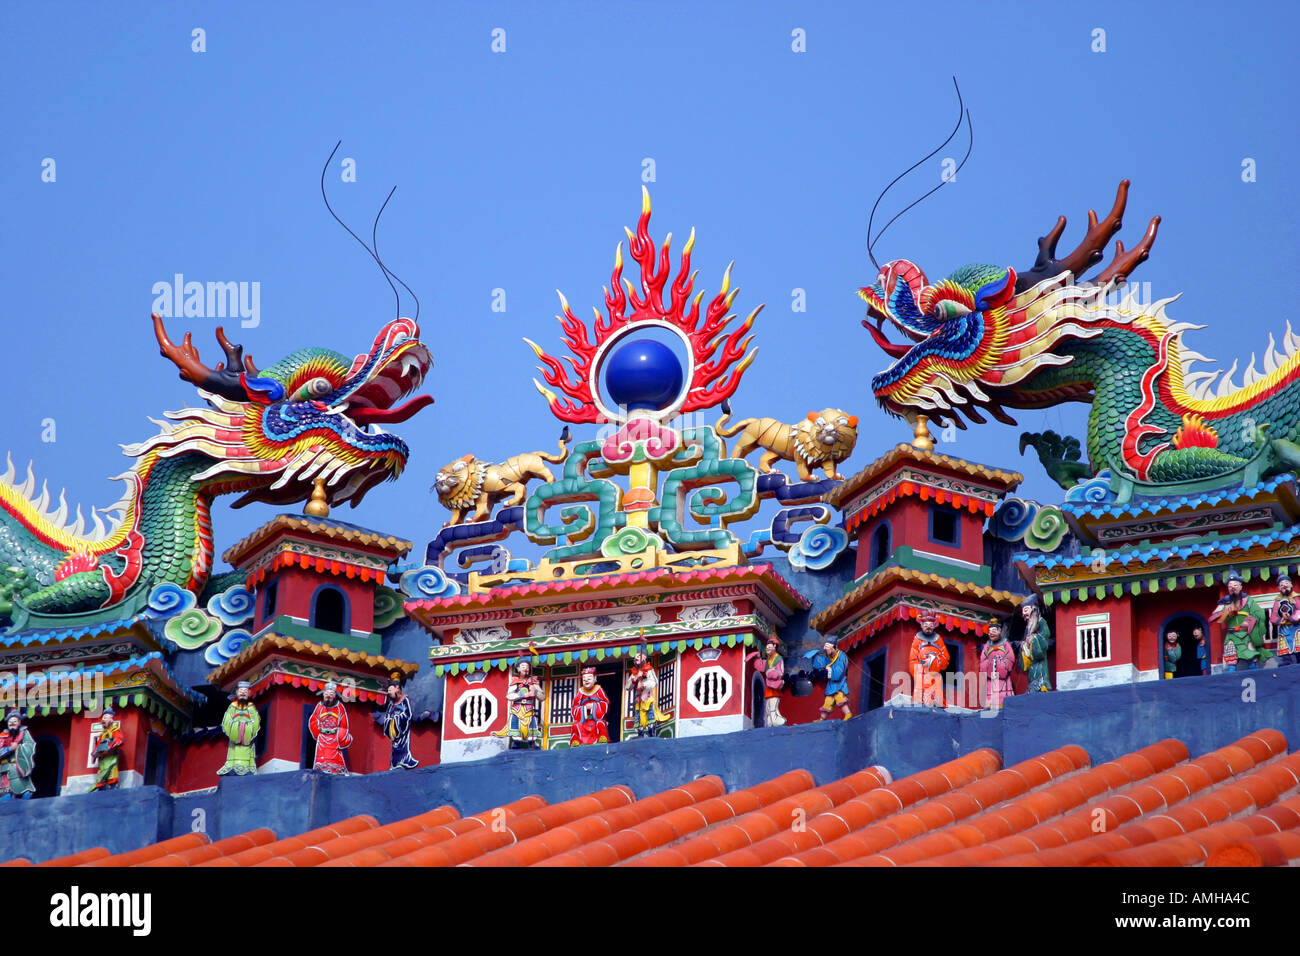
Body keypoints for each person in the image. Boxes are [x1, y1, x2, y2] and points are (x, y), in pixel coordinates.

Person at [1210, 570, 1271, 671]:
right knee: (1231, 655)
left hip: (1246, 633)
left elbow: (1259, 614)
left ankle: (1253, 667)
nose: (1233, 588)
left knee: (1251, 653)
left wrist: (1249, 622)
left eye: (1235, 585)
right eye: (1230, 586)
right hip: (1232, 634)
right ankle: (1231, 670)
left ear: (1241, 586)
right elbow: (1212, 618)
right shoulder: (1225, 602)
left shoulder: (1248, 600)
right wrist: (1225, 613)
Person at [217, 681, 260, 776]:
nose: (243, 693)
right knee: (233, 752)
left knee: (247, 754)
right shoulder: (232, 707)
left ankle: (247, 768)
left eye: (245, 691)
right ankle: (233, 766)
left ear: (249, 693)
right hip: (234, 736)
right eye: (241, 691)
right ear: (237, 693)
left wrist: (247, 728)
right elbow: (227, 721)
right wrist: (235, 728)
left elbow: (256, 721)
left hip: (247, 738)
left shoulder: (251, 707)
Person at [308, 681, 353, 774]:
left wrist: (339, 737)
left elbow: (344, 725)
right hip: (322, 738)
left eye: (331, 693)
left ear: (335, 695)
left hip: (334, 738)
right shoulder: (319, 706)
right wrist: (318, 733)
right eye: (326, 693)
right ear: (323, 694)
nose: (328, 696)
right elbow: (313, 721)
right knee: (321, 761)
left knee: (335, 762)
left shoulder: (340, 707)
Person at [377, 672, 418, 769]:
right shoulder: (391, 704)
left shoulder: (405, 700)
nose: (389, 693)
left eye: (391, 690)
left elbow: (407, 715)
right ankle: (395, 763)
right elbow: (387, 717)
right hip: (393, 730)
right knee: (395, 748)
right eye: (388, 691)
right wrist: (390, 721)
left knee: (402, 746)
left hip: (401, 729)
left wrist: (398, 718)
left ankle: (404, 760)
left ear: (397, 688)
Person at [909, 610, 950, 707]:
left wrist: (936, 661)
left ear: (934, 626)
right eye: (926, 624)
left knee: (936, 688)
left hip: (934, 671)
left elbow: (945, 657)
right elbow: (912, 659)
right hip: (922, 671)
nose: (928, 627)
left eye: (931, 625)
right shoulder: (917, 639)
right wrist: (919, 669)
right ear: (922, 625)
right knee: (921, 688)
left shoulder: (938, 639)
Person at [626, 650, 669, 738]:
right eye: (635, 658)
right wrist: (634, 679)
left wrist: (644, 684)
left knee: (650, 716)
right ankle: (640, 735)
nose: (636, 659)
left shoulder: (649, 669)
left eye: (638, 657)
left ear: (644, 658)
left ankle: (651, 734)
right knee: (638, 718)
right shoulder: (634, 672)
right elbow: (627, 687)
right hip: (638, 700)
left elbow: (654, 682)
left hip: (647, 697)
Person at [503, 660, 543, 749]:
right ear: (518, 669)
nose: (525, 669)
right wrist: (523, 695)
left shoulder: (533, 681)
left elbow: (542, 697)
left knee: (531, 724)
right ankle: (516, 742)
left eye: (527, 667)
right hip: (518, 708)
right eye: (523, 666)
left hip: (529, 708)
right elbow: (509, 695)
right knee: (515, 724)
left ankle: (531, 742)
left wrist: (535, 691)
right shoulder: (515, 681)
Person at [746, 638, 786, 727]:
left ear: (774, 646)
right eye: (766, 647)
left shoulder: (778, 659)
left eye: (769, 646)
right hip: (769, 686)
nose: (767, 648)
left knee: (772, 707)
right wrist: (757, 657)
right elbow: (760, 667)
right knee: (768, 708)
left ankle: (776, 721)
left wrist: (771, 673)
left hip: (774, 686)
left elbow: (779, 673)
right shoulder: (768, 660)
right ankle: (770, 722)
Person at [1019, 596, 1054, 692]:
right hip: (1031, 658)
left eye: (1026, 610)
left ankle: (1042, 684)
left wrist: (1034, 639)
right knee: (1032, 673)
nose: (1024, 613)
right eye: (1023, 611)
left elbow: (1045, 635)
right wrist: (1024, 645)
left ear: (1033, 608)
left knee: (1040, 671)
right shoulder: (1028, 626)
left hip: (1039, 657)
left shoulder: (1041, 622)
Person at [979, 620, 1016, 709]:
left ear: (999, 631)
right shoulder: (987, 646)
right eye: (990, 631)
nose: (991, 633)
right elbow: (982, 661)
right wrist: (991, 663)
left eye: (994, 631)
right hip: (990, 677)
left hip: (1003, 678)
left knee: (1003, 693)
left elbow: (1010, 659)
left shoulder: (1005, 644)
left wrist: (1000, 664)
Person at [570, 664, 610, 746]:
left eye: (589, 678)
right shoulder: (580, 692)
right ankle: (576, 741)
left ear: (595, 679)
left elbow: (605, 703)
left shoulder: (599, 690)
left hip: (595, 718)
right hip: (584, 719)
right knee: (575, 726)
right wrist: (584, 708)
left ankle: (601, 738)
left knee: (600, 724)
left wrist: (594, 706)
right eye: (584, 680)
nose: (586, 681)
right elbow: (574, 707)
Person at [0, 709, 36, 799]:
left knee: (26, 794)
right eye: (10, 721)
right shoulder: (3, 736)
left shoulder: (24, 733)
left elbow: (30, 746)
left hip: (19, 769)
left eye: (15, 721)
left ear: (19, 722)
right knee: (5, 797)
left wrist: (19, 748)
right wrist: (9, 749)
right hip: (4, 770)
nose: (12, 723)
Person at [815, 639, 851, 721]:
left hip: (839, 682)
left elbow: (840, 669)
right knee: (828, 700)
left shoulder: (841, 656)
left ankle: (848, 714)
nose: (825, 649)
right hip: (831, 684)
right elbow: (822, 663)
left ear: (833, 647)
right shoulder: (829, 657)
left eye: (827, 648)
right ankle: (821, 719)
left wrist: (830, 670)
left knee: (839, 697)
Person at [1269, 574, 1299, 666]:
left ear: (1291, 585)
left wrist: (1291, 618)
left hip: (1296, 627)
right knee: (1285, 649)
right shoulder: (1277, 601)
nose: (1284, 586)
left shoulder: (1296, 597)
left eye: (1286, 583)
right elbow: (1273, 616)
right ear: (1278, 588)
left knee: (1298, 646)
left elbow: (1299, 610)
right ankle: (1287, 663)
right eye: (1281, 584)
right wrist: (1279, 620)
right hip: (1284, 628)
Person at [91, 706, 124, 791]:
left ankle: (112, 788)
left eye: (105, 718)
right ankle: (100, 789)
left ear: (111, 719)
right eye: (103, 718)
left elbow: (119, 740)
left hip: (111, 758)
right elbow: (98, 745)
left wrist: (111, 746)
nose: (103, 720)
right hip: (103, 760)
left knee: (111, 774)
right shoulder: (103, 734)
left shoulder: (115, 731)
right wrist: (95, 753)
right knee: (101, 777)